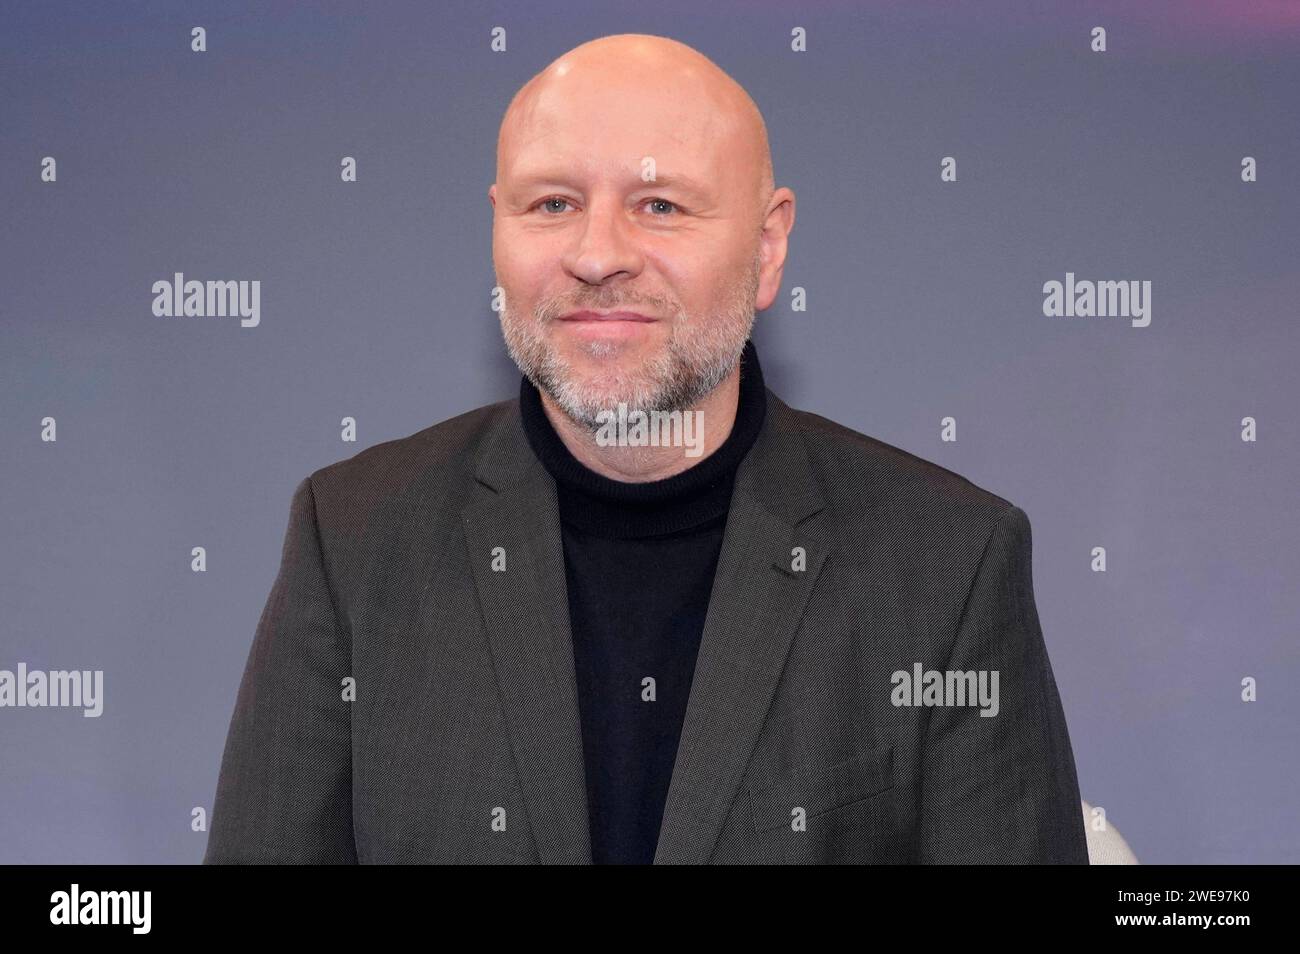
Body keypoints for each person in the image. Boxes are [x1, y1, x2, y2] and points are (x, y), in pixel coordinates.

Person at [204, 33, 1088, 864]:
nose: (597, 255)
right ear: (497, 229)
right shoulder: (354, 537)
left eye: (659, 205)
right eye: (552, 204)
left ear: (769, 245)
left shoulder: (948, 560)